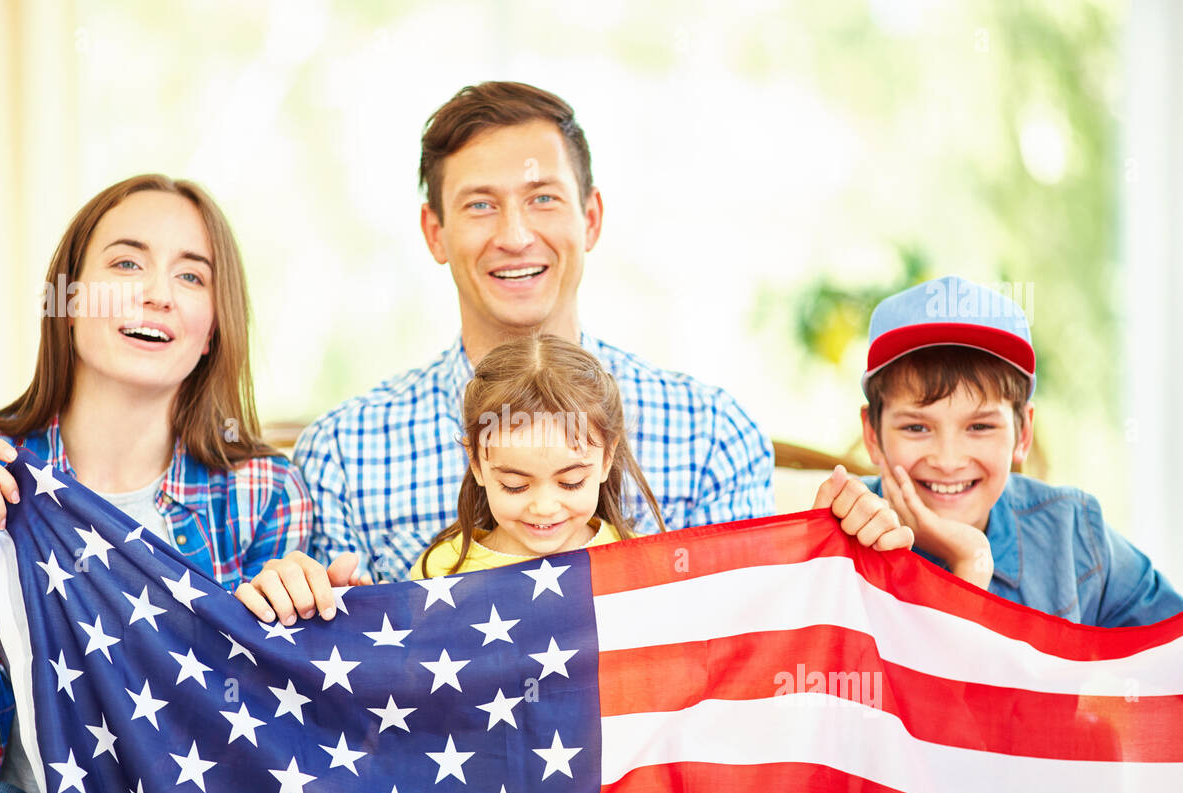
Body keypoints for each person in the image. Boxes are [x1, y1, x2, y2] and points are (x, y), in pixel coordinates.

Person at [0, 174, 322, 793]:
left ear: (211, 329)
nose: (157, 292)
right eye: (126, 263)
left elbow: (279, 757)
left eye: (191, 276)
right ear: (68, 299)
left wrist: (311, 617)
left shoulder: (264, 491)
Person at [291, 81, 777, 583]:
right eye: (480, 205)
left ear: (591, 219)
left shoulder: (713, 436)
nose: (516, 238)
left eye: (543, 198)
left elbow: (747, 639)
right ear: (434, 232)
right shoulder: (343, 455)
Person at [413, 334, 911, 579]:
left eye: (569, 483)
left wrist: (816, 546)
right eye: (516, 485)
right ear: (476, 465)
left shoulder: (639, 570)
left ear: (607, 459)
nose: (544, 508)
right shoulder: (439, 570)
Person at [859, 275, 1183, 624]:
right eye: (916, 428)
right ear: (873, 434)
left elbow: (1169, 647)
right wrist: (971, 562)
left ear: (1023, 433)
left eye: (980, 427)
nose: (948, 461)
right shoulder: (844, 540)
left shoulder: (1073, 534)